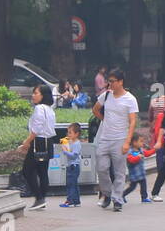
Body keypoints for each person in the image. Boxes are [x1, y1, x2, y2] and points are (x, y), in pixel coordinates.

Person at [92, 68, 137, 211]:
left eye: (112, 81)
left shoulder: (130, 99)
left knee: (119, 172)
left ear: (121, 82)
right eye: (108, 81)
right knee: (101, 168)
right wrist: (105, 120)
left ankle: (117, 200)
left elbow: (133, 122)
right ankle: (107, 194)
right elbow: (95, 110)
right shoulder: (106, 95)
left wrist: (127, 142)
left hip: (120, 139)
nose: (109, 84)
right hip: (105, 139)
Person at [18, 84, 57, 210]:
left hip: (39, 142)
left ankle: (39, 197)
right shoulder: (50, 109)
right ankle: (41, 198)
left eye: (36, 93)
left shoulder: (39, 108)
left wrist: (27, 141)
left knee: (27, 170)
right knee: (42, 171)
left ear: (43, 95)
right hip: (48, 142)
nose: (33, 96)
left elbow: (36, 128)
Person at [123, 131, 156, 202]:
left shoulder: (141, 150)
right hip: (134, 174)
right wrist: (138, 157)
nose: (142, 143)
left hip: (141, 173)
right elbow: (131, 160)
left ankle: (144, 197)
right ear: (134, 142)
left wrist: (155, 150)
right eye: (141, 141)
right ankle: (122, 195)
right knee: (132, 187)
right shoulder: (130, 151)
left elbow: (147, 153)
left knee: (144, 186)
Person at [58, 122, 85, 207]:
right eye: (68, 132)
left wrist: (65, 151)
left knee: (70, 184)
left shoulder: (76, 144)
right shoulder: (72, 142)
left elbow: (74, 156)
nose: (68, 134)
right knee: (74, 184)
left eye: (70, 132)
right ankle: (76, 201)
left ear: (76, 134)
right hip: (72, 166)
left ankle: (70, 201)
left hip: (73, 166)